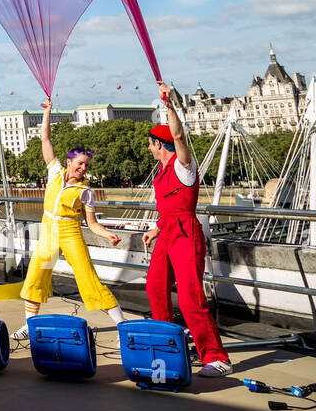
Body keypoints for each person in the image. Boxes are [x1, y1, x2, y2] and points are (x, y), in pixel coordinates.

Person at [13, 98, 126, 341]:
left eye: (86, 165)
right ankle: (30, 325)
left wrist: (107, 234)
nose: (83, 168)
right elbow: (45, 140)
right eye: (80, 163)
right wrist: (47, 113)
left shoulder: (86, 192)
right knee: (36, 276)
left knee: (88, 277)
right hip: (49, 233)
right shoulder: (54, 171)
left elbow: (92, 223)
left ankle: (123, 326)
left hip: (71, 233)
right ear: (69, 162)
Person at [143, 83, 232, 376]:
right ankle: (168, 346)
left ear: (159, 144)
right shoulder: (161, 173)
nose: (148, 148)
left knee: (191, 296)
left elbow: (179, 135)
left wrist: (168, 105)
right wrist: (157, 229)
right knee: (155, 288)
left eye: (150, 143)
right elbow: (168, 207)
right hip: (168, 231)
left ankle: (216, 357)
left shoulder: (184, 166)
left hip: (185, 233)